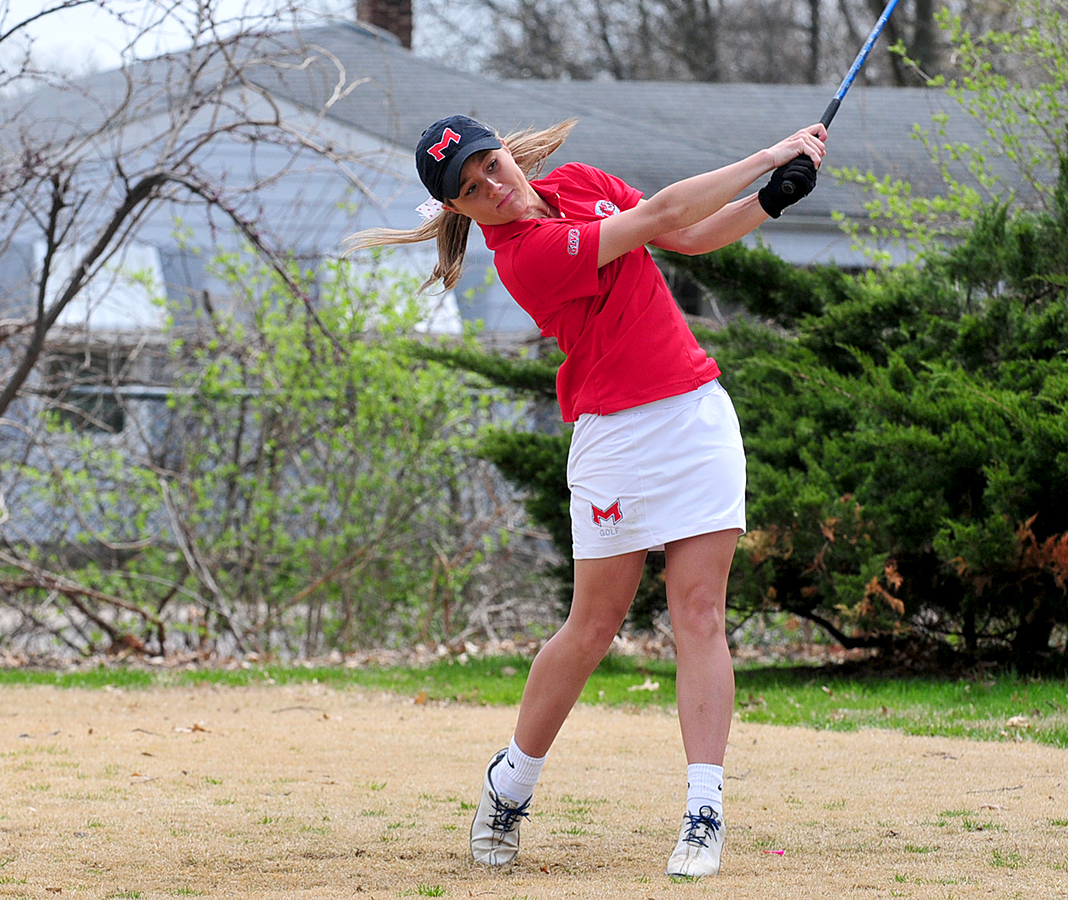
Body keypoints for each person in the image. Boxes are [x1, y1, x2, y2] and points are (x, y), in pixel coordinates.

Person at [346, 114, 824, 878]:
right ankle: (511, 784)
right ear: (458, 210)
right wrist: (772, 154)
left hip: (697, 416)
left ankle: (705, 811)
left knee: (699, 615)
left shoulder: (578, 185)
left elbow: (689, 238)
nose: (493, 188)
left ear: (505, 149)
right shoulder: (524, 256)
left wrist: (771, 201)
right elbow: (664, 214)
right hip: (617, 442)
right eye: (470, 190)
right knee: (594, 627)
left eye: (491, 166)